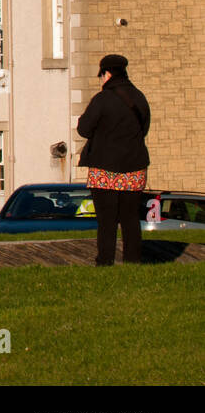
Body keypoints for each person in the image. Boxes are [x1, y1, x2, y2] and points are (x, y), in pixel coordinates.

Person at [76, 54, 150, 265]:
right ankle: (133, 260)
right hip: (135, 166)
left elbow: (84, 129)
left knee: (107, 220)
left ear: (106, 74)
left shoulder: (102, 100)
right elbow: (144, 129)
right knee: (130, 219)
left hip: (104, 167)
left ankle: (105, 261)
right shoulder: (139, 97)